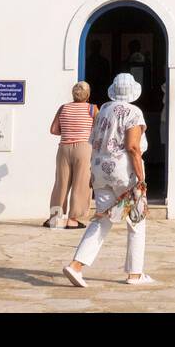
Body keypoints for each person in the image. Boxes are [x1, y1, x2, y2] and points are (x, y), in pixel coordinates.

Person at [63, 72, 155, 286]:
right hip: (125, 173)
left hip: (100, 171)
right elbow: (133, 147)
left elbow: (93, 140)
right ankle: (135, 274)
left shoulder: (103, 109)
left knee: (101, 220)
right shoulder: (134, 112)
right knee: (136, 222)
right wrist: (140, 177)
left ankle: (76, 266)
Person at [45, 82, 96, 229]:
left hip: (64, 148)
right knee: (81, 184)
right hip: (84, 148)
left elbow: (54, 130)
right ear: (88, 95)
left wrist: (69, 131)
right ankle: (73, 219)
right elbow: (100, 129)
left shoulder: (63, 108)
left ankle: (55, 218)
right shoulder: (92, 109)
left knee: (61, 183)